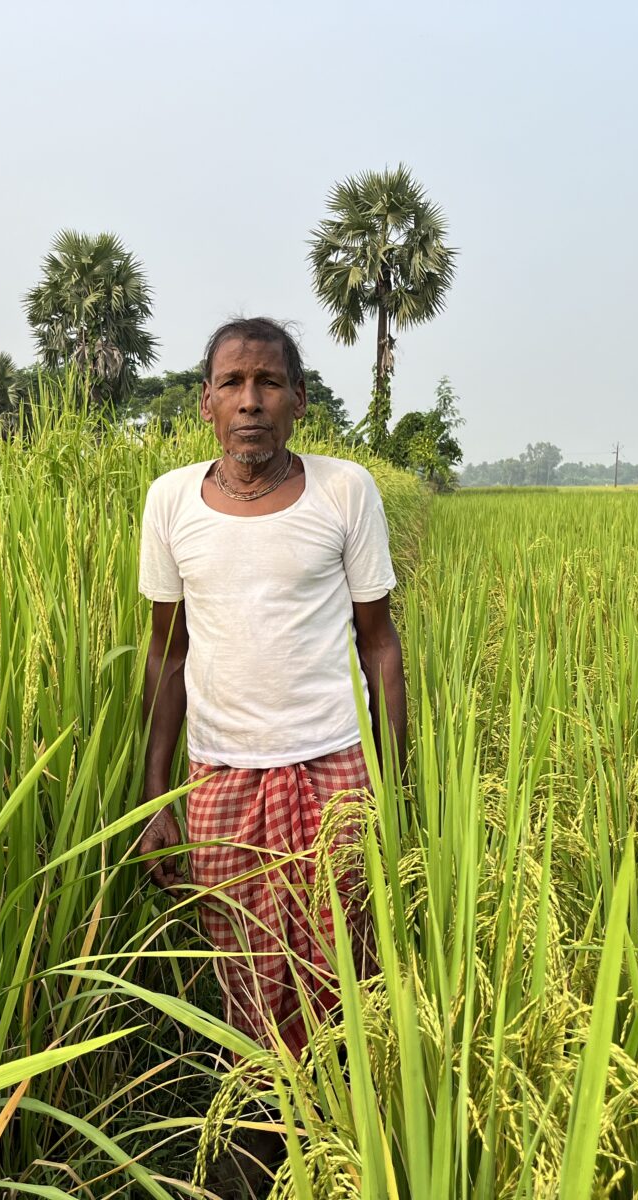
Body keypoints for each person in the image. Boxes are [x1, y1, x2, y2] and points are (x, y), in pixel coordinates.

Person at [136, 316, 407, 1190]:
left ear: (297, 399)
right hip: (221, 781)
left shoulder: (344, 491)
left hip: (334, 769)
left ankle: (347, 1148)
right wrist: (156, 797)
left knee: (345, 976)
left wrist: (397, 789)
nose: (250, 401)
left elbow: (381, 645)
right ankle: (253, 1162)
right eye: (233, 383)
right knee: (246, 983)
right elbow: (167, 655)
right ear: (207, 401)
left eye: (269, 382)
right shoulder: (171, 501)